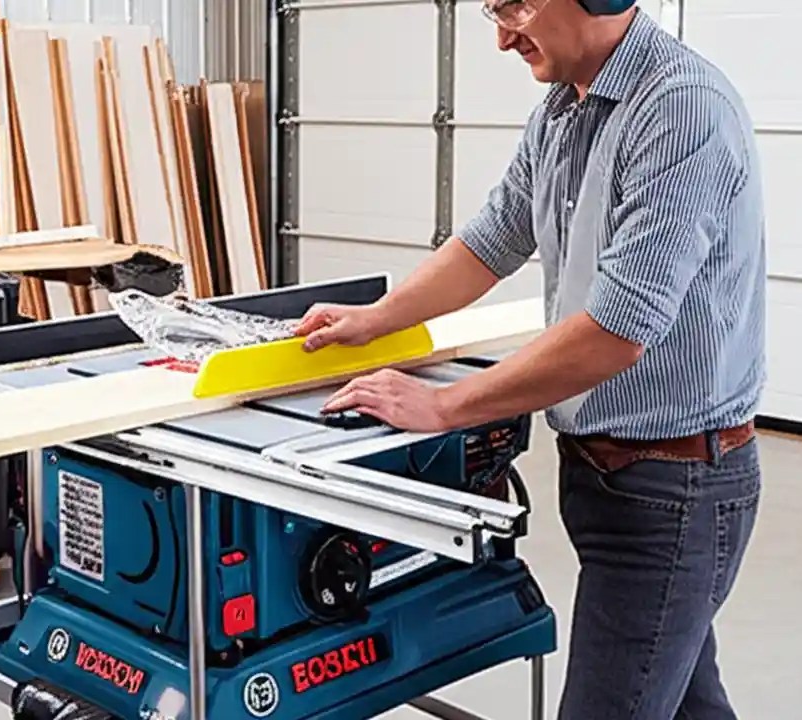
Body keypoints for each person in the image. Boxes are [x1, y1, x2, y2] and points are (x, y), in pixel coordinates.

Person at [295, 1, 766, 718]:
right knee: (687, 701)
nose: (502, 35)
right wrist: (377, 319)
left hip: (675, 488)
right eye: (493, 7)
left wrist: (445, 406)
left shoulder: (681, 111)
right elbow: (495, 236)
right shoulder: (563, 110)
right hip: (603, 472)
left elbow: (619, 327)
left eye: (517, 5)